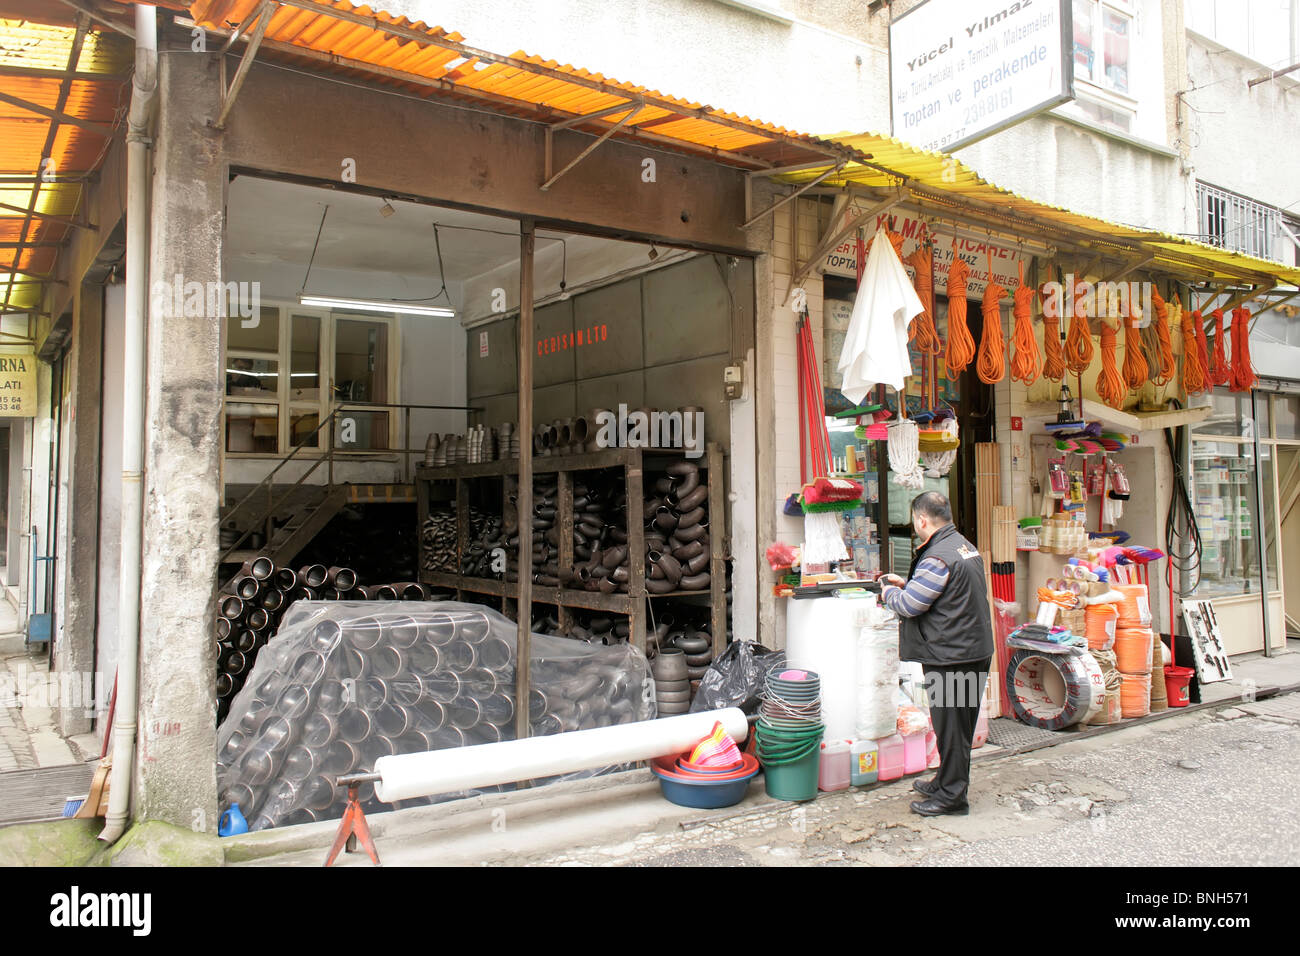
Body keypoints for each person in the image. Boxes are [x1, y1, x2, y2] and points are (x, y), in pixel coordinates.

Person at [879, 491, 992, 816]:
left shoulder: (937, 557)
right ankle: (945, 781)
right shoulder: (963, 546)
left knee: (952, 728)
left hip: (952, 656)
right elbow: (944, 592)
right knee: (955, 726)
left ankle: (952, 797)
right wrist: (910, 582)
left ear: (921, 520)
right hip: (970, 650)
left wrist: (889, 591)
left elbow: (910, 605)